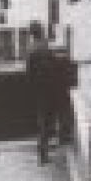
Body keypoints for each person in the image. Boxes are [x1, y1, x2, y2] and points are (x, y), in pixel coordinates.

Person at [26, 21, 72, 165]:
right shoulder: (46, 47)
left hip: (41, 92)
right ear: (41, 32)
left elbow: (30, 75)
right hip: (53, 89)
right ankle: (63, 140)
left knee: (44, 123)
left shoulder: (31, 50)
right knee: (61, 114)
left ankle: (43, 154)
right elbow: (56, 66)